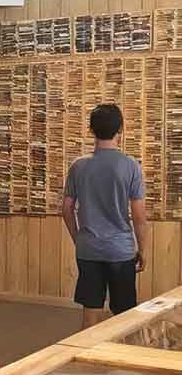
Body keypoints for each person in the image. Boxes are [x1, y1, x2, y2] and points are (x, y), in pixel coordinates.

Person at [62, 103, 148, 330]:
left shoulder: (78, 166)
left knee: (90, 311)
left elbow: (67, 209)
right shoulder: (131, 166)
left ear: (91, 130)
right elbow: (139, 216)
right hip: (120, 250)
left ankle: (86, 353)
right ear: (121, 129)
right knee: (124, 315)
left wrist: (78, 238)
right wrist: (143, 249)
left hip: (88, 248)